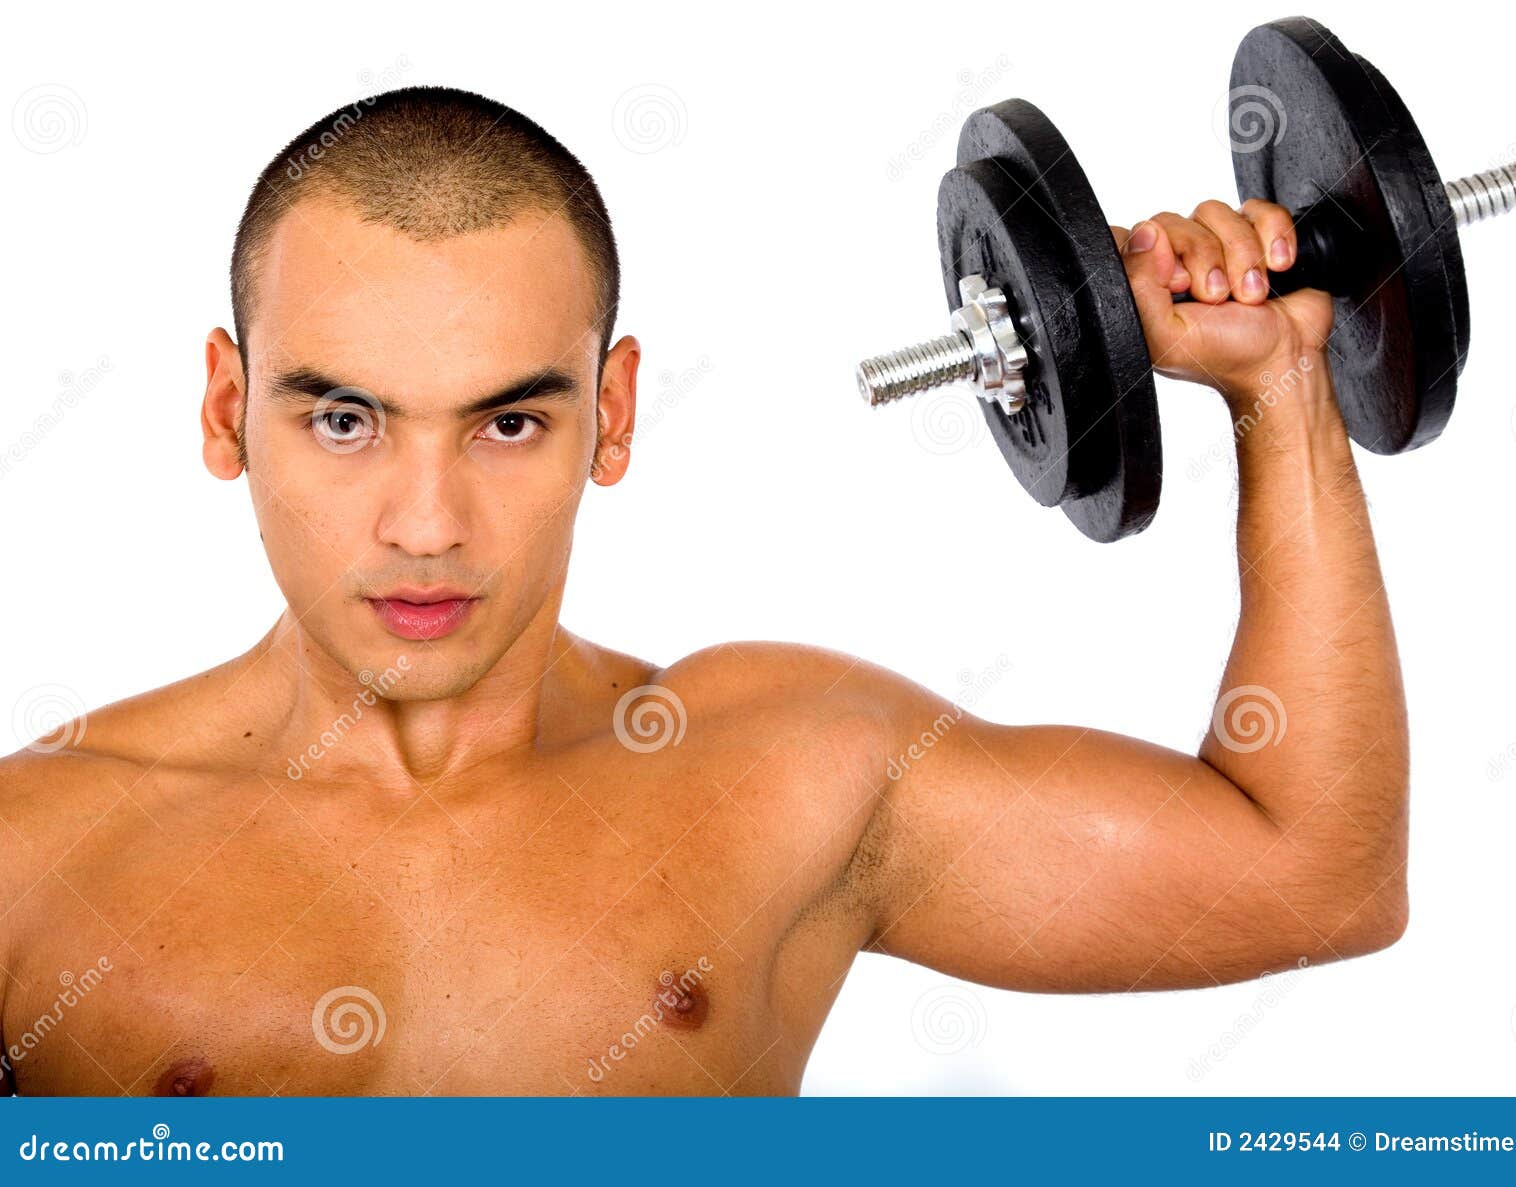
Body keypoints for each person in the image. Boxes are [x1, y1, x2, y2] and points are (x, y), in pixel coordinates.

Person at [0, 86, 1406, 1096]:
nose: (426, 525)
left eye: (509, 423)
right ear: (227, 407)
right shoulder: (31, 853)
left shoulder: (780, 768)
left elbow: (1315, 877)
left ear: (612, 416)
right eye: (346, 420)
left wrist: (1278, 388)